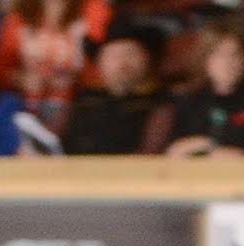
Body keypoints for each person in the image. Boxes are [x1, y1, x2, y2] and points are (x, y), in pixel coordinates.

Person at [165, 16, 244, 152]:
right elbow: (175, 150)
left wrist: (208, 147)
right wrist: (211, 145)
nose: (227, 63)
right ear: (205, 59)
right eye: (219, 54)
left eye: (234, 55)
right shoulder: (191, 99)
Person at [0, 0, 108, 135]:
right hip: (24, 107)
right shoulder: (17, 18)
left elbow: (105, 66)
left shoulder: (92, 12)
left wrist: (76, 80)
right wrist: (21, 79)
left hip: (78, 107)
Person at [60, 17, 170, 148]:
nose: (122, 63)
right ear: (100, 63)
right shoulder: (83, 99)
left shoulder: (161, 101)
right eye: (113, 55)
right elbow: (50, 139)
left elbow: (151, 149)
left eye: (130, 54)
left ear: (147, 60)